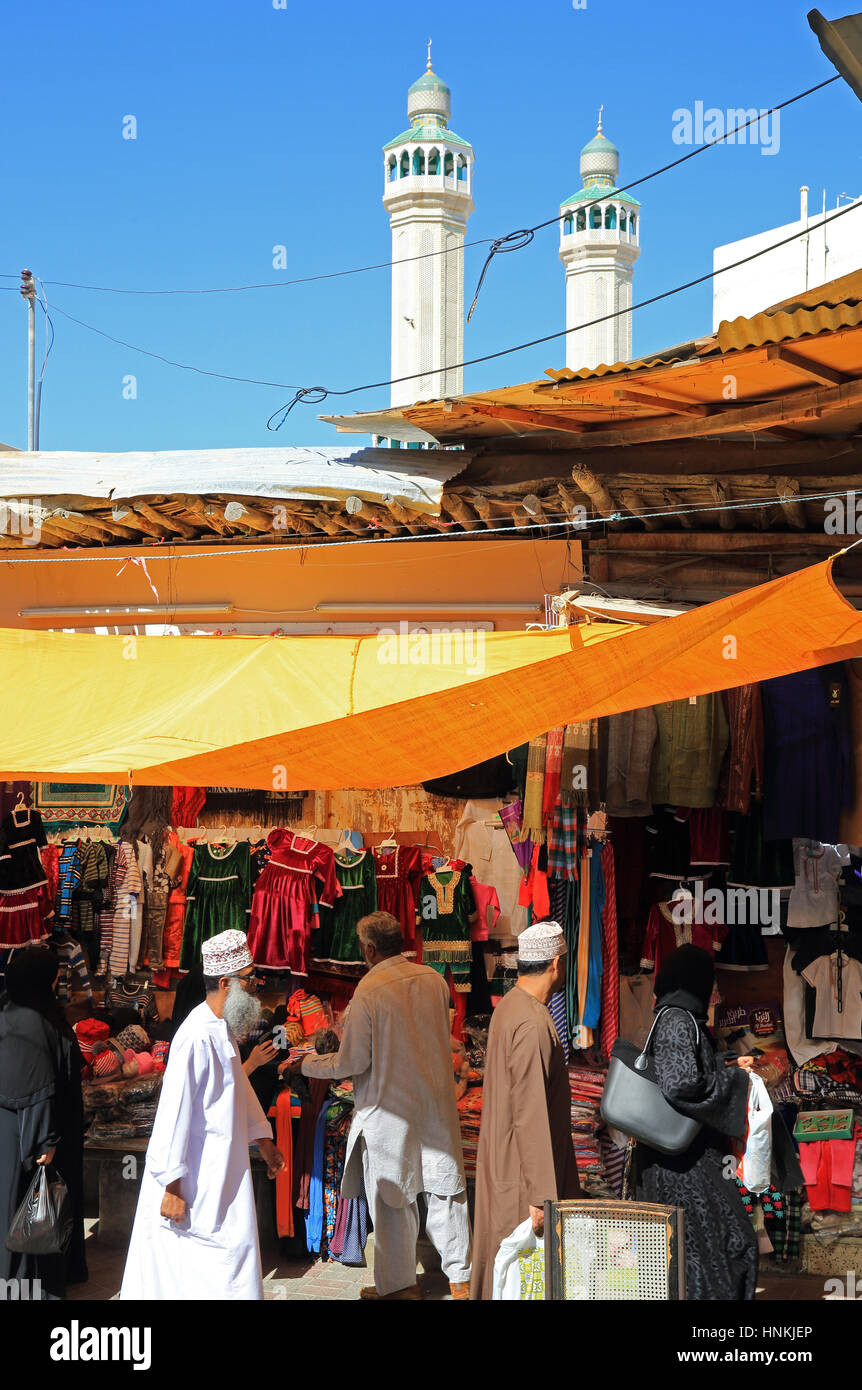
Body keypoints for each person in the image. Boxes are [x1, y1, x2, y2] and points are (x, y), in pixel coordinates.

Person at [294, 910, 472, 1301]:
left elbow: (351, 1062)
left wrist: (306, 1062)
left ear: (369, 949)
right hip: (434, 1106)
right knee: (445, 1193)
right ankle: (461, 1282)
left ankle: (400, 1286)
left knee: (395, 1200)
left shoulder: (369, 991)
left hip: (389, 1112)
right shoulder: (433, 981)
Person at [120, 929, 285, 1300]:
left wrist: (264, 1141)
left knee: (232, 1255)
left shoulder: (220, 1028)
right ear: (226, 982)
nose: (256, 987)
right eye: (250, 979)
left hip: (222, 1166)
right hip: (194, 1174)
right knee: (191, 1266)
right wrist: (172, 1184)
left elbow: (236, 1091)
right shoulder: (195, 1035)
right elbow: (174, 1113)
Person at [629, 943, 758, 1301]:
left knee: (708, 1251)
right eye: (709, 980)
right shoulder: (676, 1020)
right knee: (727, 1245)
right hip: (680, 1166)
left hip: (687, 1159)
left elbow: (687, 1070)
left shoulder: (682, 1018)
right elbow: (680, 1084)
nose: (714, 990)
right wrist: (735, 1080)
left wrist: (725, 1065)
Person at [470, 920, 581, 1301]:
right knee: (525, 1280)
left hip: (507, 1164)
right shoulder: (532, 1022)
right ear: (555, 964)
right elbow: (529, 1113)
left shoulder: (512, 1006)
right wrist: (540, 1196)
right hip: (522, 1178)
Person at [0, 945, 87, 1298]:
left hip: (21, 1127)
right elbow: (35, 1086)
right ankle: (25, 1288)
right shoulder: (31, 1021)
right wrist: (45, 1140)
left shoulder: (15, 1009)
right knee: (28, 1209)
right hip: (31, 1132)